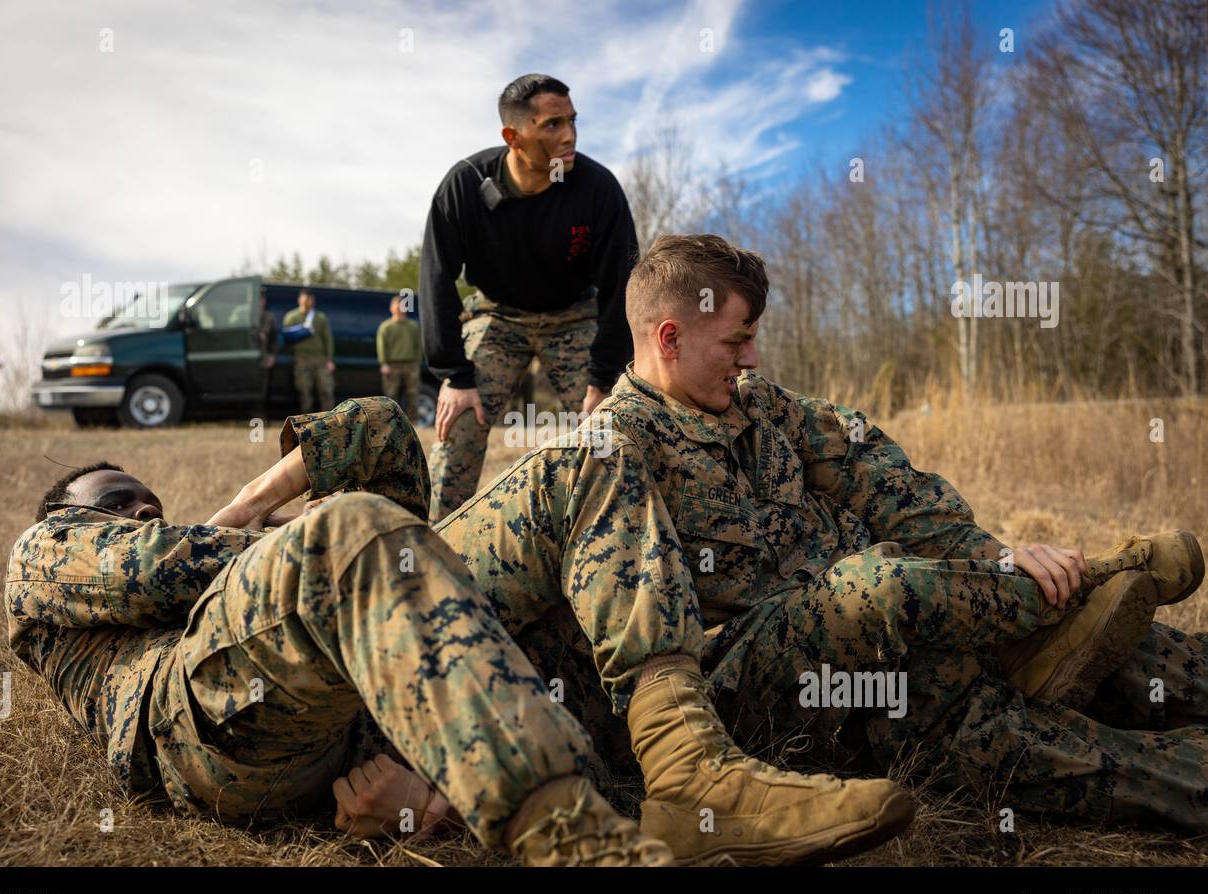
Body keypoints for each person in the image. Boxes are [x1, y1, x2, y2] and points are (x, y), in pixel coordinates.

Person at [431, 233, 1208, 841]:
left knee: (1099, 658)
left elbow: (882, 479)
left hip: (898, 639)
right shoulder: (608, 456)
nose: (752, 357)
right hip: (753, 685)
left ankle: (1050, 634)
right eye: (735, 340)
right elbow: (492, 621)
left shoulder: (764, 405)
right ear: (668, 337)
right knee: (887, 591)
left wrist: (996, 556)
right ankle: (1062, 603)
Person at [4, 397, 671, 866]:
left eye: (148, 499)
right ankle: (579, 839)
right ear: (71, 519)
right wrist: (313, 534)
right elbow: (149, 568)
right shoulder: (41, 553)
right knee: (350, 529)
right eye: (116, 502)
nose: (143, 506)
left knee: (580, 462)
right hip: (201, 718)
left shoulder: (239, 554)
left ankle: (681, 759)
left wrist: (246, 510)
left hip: (355, 698)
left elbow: (381, 435)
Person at [420, 73, 638, 521]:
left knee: (614, 425)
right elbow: (437, 279)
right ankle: (437, 541)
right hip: (499, 316)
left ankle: (618, 537)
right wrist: (455, 376)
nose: (569, 135)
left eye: (573, 121)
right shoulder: (464, 185)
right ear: (513, 136)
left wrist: (603, 379)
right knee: (459, 420)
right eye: (552, 125)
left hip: (575, 315)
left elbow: (622, 286)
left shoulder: (598, 189)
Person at [282, 287, 335, 413]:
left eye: (310, 299)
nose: (307, 302)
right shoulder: (291, 317)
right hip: (301, 359)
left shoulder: (320, 317)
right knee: (304, 391)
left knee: (326, 390)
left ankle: (329, 422)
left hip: (320, 359)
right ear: (299, 300)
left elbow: (328, 339)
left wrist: (329, 359)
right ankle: (308, 423)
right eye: (305, 299)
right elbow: (286, 338)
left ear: (313, 301)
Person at [376, 294, 422, 419]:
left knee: (413, 394)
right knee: (391, 395)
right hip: (392, 365)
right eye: (397, 306)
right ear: (391, 308)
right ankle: (390, 422)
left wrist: (417, 362)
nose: (400, 309)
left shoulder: (413, 326)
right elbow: (381, 346)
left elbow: (418, 345)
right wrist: (384, 363)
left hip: (410, 364)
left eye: (403, 306)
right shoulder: (386, 327)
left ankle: (413, 422)